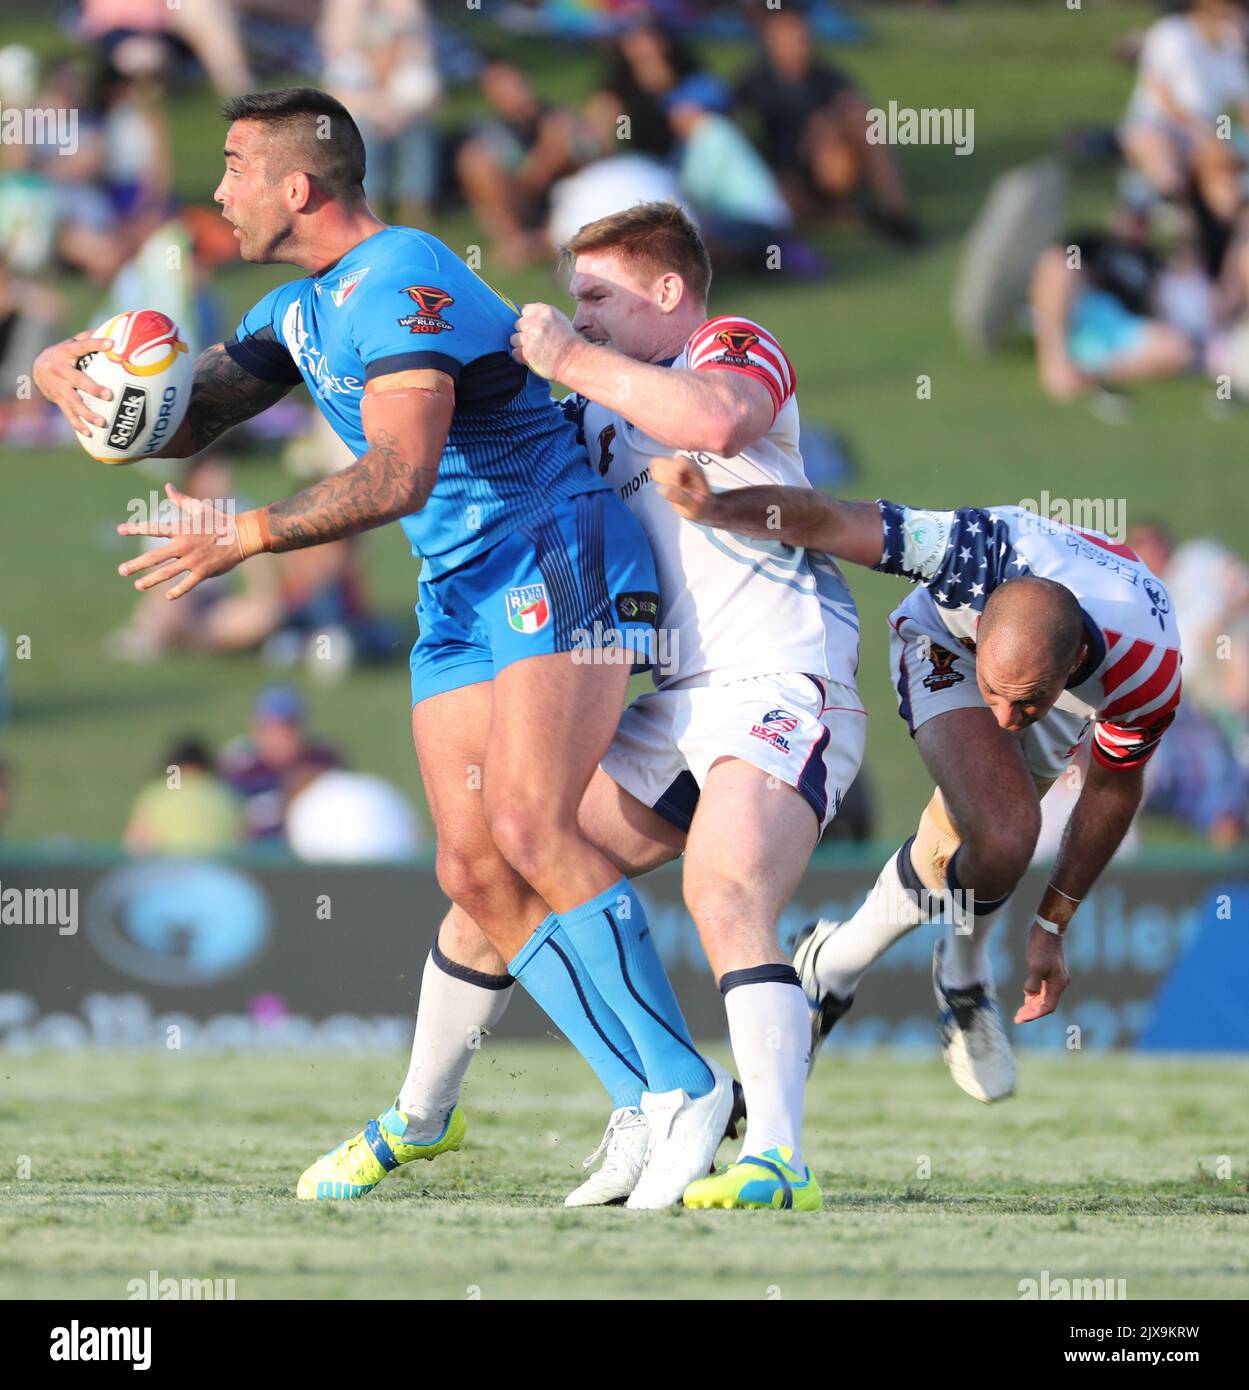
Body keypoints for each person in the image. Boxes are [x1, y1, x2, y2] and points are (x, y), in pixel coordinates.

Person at [32, 88, 726, 1208]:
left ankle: (687, 1085)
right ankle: (641, 1098)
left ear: (296, 188)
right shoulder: (297, 311)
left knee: (528, 824)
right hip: (459, 589)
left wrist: (249, 531)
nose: (217, 190)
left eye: (233, 167)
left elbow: (399, 472)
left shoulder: (405, 275)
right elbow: (180, 417)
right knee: (471, 868)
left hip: (550, 547)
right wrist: (69, 372)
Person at [306, 201, 865, 1212]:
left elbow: (718, 421)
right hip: (672, 705)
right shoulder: (583, 403)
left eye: (599, 296)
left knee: (725, 888)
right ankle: (419, 1118)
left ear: (666, 290)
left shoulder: (726, 344)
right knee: (498, 868)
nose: (582, 315)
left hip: (779, 680)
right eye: (575, 302)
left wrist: (567, 356)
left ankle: (771, 1155)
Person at [652, 471, 1182, 1103]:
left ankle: (840, 963)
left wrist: (1053, 923)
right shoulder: (966, 553)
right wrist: (716, 504)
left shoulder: (1147, 673)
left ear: (1070, 667)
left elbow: (1112, 791)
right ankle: (965, 982)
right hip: (945, 647)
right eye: (997, 698)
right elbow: (831, 519)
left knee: (985, 846)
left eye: (1026, 704)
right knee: (1008, 829)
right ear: (983, 625)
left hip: (1059, 684)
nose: (1005, 722)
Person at [735, 4, 921, 246]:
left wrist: (826, 126)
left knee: (861, 118)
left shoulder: (829, 78)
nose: (799, 41)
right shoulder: (753, 82)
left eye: (801, 33)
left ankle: (895, 210)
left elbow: (856, 112)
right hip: (785, 175)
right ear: (770, 39)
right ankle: (851, 216)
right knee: (781, 199)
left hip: (829, 163)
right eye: (789, 35)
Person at [1120, 0, 1249, 276]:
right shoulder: (1172, 34)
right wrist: (1202, 133)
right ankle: (1166, 207)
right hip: (1157, 126)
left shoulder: (1228, 47)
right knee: (1164, 159)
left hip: (1203, 137)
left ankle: (1217, 262)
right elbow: (1160, 93)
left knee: (1226, 189)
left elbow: (1243, 105)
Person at [1030, 212, 1195, 401]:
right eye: (1131, 217)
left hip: (1124, 326)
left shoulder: (1151, 259)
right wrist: (1083, 274)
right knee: (1057, 266)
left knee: (1180, 350)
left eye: (1141, 221)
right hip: (1088, 309)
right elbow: (1062, 259)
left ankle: (1088, 375)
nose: (1135, 225)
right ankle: (1055, 364)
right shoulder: (1096, 243)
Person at [218, 685, 343, 842]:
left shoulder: (322, 763)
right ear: (256, 730)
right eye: (273, 729)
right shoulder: (239, 768)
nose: (282, 738)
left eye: (289, 728)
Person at [123, 737, 243, 854]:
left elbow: (136, 846)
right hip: (221, 871)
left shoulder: (158, 795)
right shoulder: (227, 795)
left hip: (172, 870)